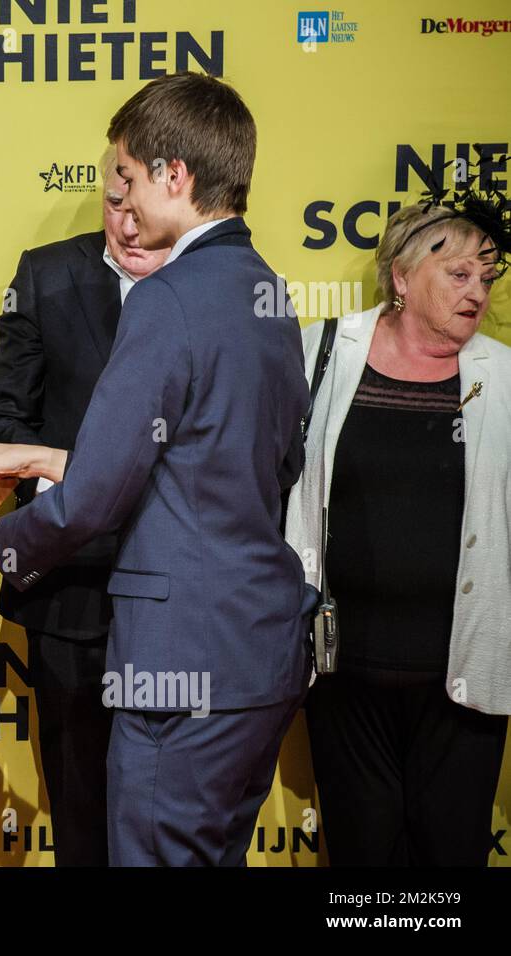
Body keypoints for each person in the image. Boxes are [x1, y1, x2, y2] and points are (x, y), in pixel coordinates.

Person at [0, 72, 315, 866]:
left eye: (133, 179)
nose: (129, 205)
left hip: (178, 658)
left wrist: (0, 539)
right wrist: (41, 453)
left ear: (175, 176)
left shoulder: (165, 298)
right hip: (260, 651)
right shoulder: (270, 295)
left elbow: (95, 499)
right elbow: (236, 459)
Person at [286, 196, 511, 865]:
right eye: (459, 274)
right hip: (344, 674)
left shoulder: (502, 377)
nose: (477, 292)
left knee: (451, 858)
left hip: (463, 678)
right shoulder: (323, 351)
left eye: (487, 278)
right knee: (363, 858)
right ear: (403, 277)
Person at [0, 146, 169, 866]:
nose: (124, 223)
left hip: (183, 594)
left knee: (175, 814)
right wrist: (72, 489)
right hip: (73, 590)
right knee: (81, 811)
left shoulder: (218, 288)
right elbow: (0, 422)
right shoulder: (47, 274)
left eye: (137, 207)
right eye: (111, 204)